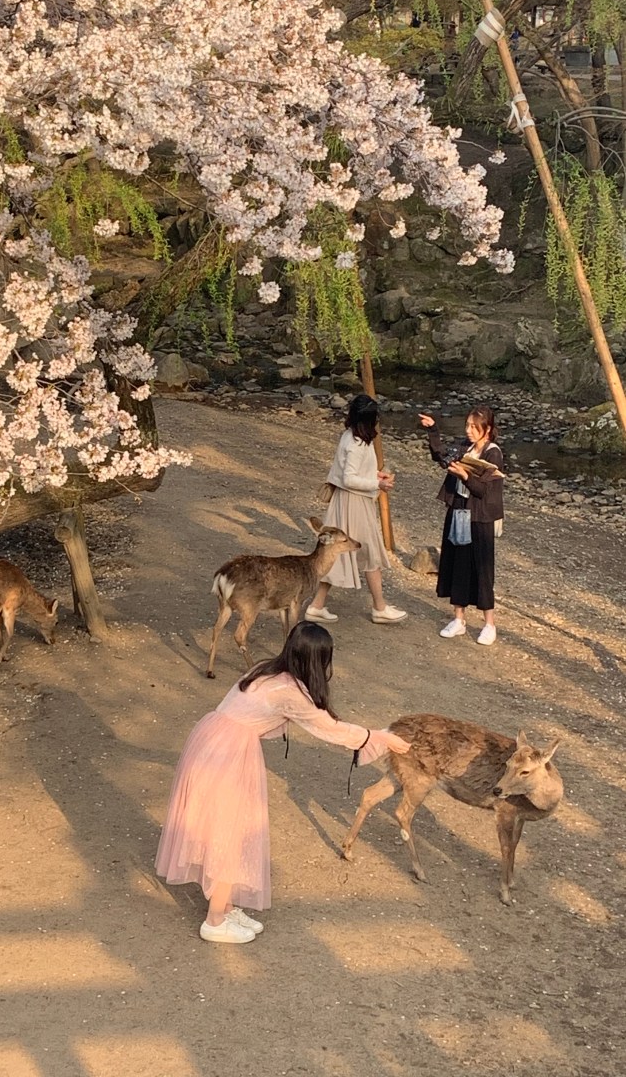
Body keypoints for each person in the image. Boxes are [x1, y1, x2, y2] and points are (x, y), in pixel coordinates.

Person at [155, 621, 410, 943]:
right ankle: (215, 920)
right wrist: (380, 738)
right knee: (231, 831)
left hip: (212, 739)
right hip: (229, 753)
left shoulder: (265, 669)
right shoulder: (291, 693)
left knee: (223, 826)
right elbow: (331, 728)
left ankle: (225, 903)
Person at [306, 393, 407, 625]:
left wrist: (374, 475)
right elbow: (350, 478)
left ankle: (317, 605)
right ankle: (379, 607)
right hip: (355, 503)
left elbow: (350, 473)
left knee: (336, 552)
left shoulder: (349, 437)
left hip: (347, 500)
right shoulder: (357, 444)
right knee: (369, 551)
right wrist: (378, 484)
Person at [418, 406, 504, 645]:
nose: (469, 431)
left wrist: (465, 475)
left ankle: (489, 623)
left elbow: (483, 490)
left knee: (482, 569)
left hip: (480, 517)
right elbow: (442, 456)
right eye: (467, 426)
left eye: (474, 427)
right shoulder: (464, 447)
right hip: (458, 511)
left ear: (486, 429)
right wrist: (433, 430)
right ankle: (458, 618)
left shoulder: (493, 453)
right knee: (457, 562)